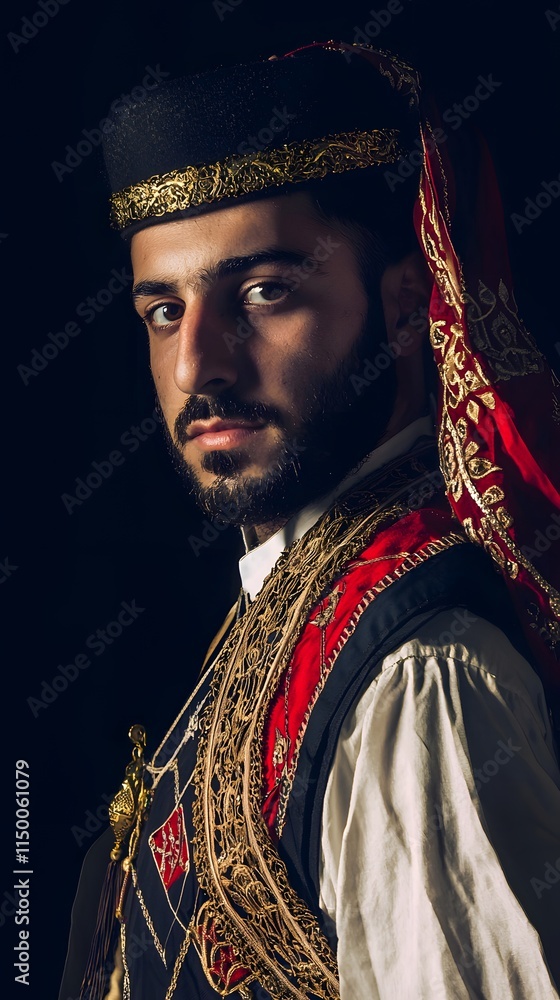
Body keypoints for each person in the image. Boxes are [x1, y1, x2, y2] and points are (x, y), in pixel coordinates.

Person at [61, 41, 560, 1000]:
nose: (196, 366)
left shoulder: (423, 675)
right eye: (164, 310)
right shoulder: (289, 604)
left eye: (263, 292)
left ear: (406, 305)